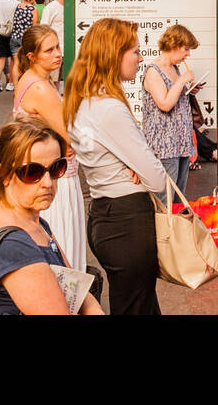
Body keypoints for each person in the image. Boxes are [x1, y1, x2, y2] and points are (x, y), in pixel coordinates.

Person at [66, 18, 169, 315]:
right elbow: (157, 178)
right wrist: (137, 166)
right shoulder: (110, 108)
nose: (141, 58)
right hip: (127, 221)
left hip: (105, 215)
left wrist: (134, 163)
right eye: (135, 51)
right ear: (113, 55)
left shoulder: (81, 101)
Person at [0, 117, 103, 315]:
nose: (48, 182)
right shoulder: (13, 245)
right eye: (32, 172)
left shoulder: (34, 221)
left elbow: (77, 290)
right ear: (4, 174)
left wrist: (93, 308)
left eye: (56, 168)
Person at [11, 25, 86, 273]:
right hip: (55, 177)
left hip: (47, 173)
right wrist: (67, 142)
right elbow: (71, 135)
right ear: (32, 56)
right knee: (63, 249)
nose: (57, 54)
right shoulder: (40, 87)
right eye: (49, 50)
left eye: (57, 47)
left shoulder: (33, 80)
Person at [141, 24, 200, 197]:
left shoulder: (174, 68)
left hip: (180, 141)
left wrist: (189, 89)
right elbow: (165, 104)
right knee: (166, 197)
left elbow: (173, 95)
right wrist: (181, 82)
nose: (188, 54)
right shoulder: (153, 71)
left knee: (178, 197)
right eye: (186, 49)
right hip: (164, 144)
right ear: (174, 45)